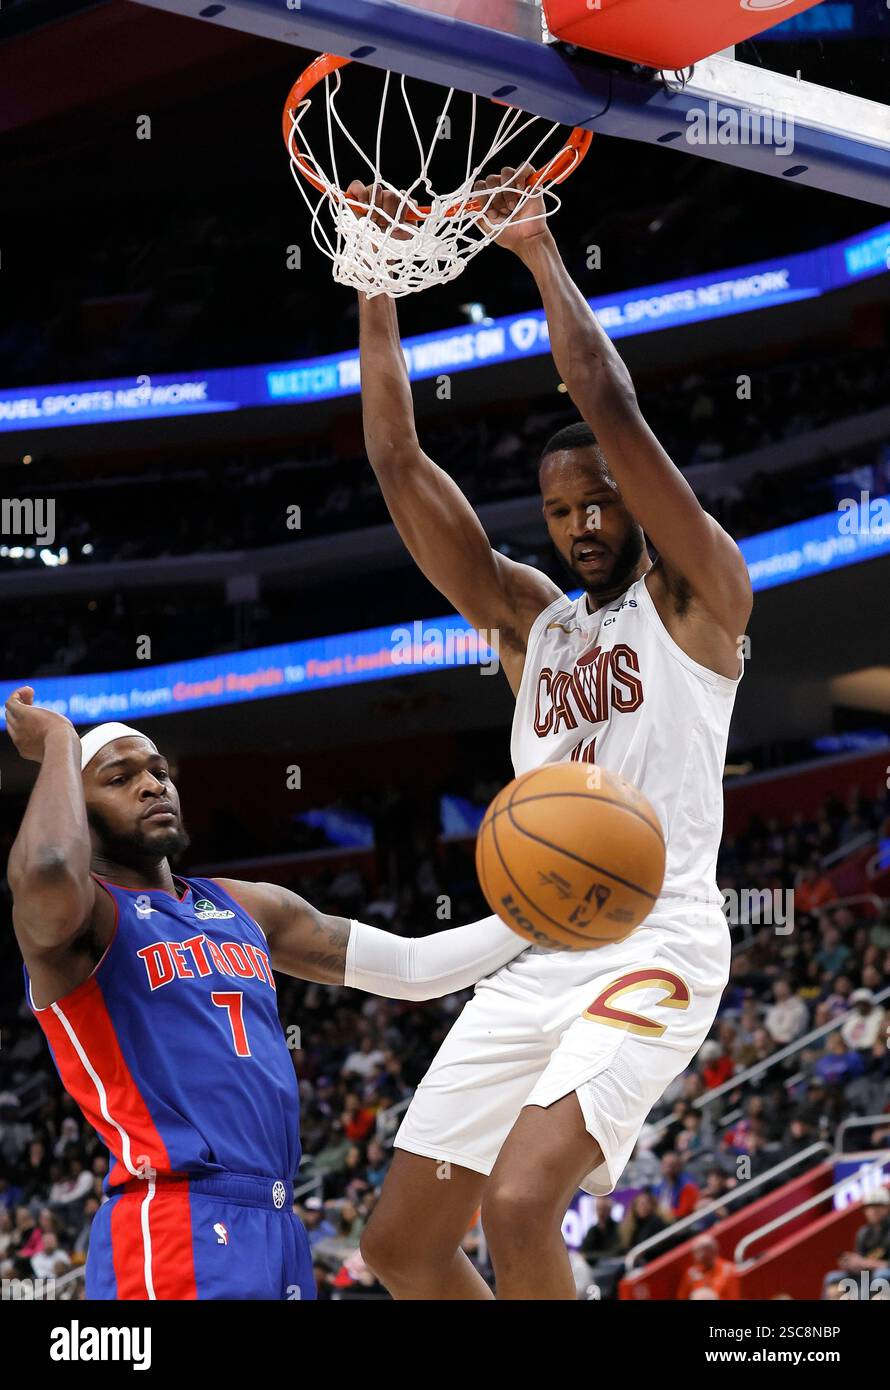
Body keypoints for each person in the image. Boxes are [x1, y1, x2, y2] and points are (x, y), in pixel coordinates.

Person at [352, 168, 752, 1299]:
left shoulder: (698, 598)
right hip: (540, 945)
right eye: (563, 510)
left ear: (634, 498)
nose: (582, 524)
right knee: (399, 1247)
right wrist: (376, 284)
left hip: (657, 936)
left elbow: (610, 409)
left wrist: (533, 250)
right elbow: (395, 463)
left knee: (521, 1201)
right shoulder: (531, 624)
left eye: (601, 503)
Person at [4, 693, 526, 1300]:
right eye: (119, 779)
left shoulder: (247, 905)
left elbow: (412, 967)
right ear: (77, 810)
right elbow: (44, 867)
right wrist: (61, 748)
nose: (151, 786)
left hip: (279, 1220)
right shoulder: (80, 922)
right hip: (174, 1218)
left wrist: (534, 919)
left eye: (159, 772)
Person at [676, 1235, 740, 1300]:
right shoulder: (691, 1274)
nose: (701, 1254)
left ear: (714, 1250)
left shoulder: (729, 1270)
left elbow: (735, 1296)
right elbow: (682, 1297)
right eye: (697, 1251)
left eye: (705, 1250)